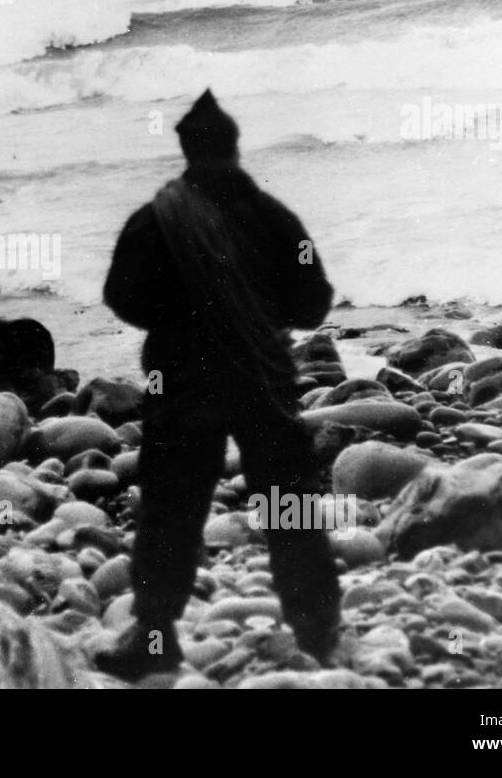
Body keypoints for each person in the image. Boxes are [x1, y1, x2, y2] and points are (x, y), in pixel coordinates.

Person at [95, 89, 343, 680]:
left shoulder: (156, 218)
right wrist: (256, 317)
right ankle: (316, 633)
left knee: (170, 509)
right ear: (235, 147)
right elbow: (314, 304)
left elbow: (121, 297)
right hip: (263, 377)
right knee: (289, 505)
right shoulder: (278, 218)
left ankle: (154, 638)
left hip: (182, 384)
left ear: (185, 149)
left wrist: (181, 320)